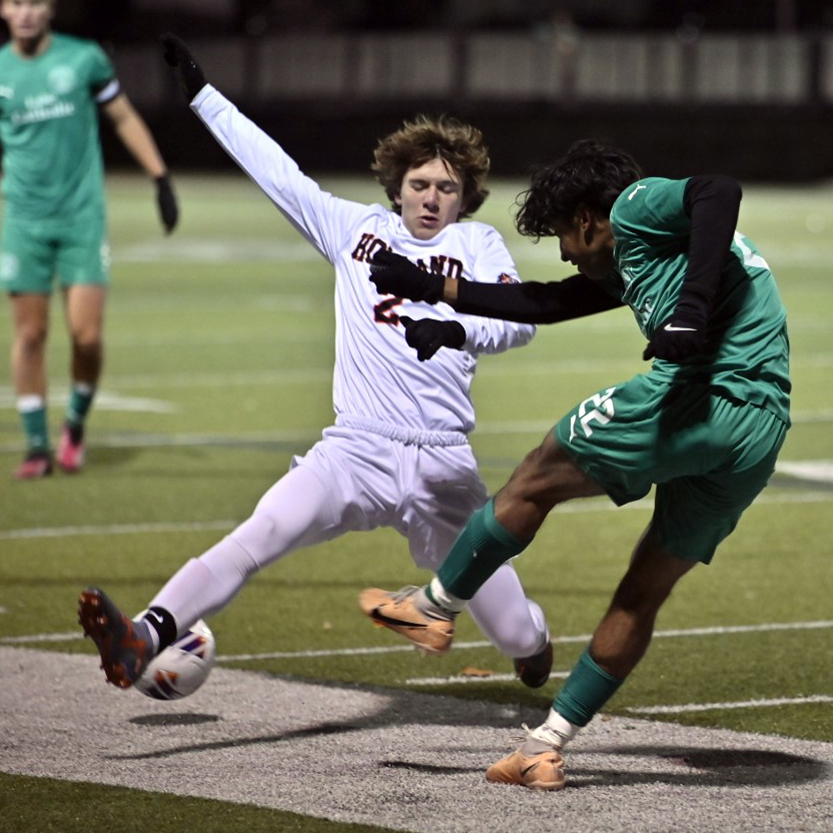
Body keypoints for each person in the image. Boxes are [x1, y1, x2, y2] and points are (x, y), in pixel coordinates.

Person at [77, 34, 554, 692]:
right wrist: (205, 98)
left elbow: (519, 320)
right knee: (264, 529)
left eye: (446, 187)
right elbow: (277, 172)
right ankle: (144, 636)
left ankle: (534, 640)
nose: (430, 197)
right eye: (419, 183)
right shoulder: (353, 228)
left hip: (442, 462)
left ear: (464, 195)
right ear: (396, 187)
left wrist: (452, 327)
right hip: (355, 447)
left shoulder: (477, 242)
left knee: (514, 634)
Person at [360, 139, 791, 791]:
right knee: (641, 591)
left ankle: (435, 605)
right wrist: (434, 290)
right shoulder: (647, 255)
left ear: (588, 218)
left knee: (535, 474)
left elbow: (718, 189)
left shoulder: (635, 208)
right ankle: (545, 745)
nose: (565, 250)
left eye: (563, 233)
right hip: (759, 430)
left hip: (702, 397)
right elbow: (551, 302)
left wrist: (692, 311)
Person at [0, 0, 179, 479]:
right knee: (30, 334)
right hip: (23, 221)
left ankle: (74, 425)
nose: (25, 12)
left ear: (51, 8)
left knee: (88, 337)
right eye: (16, 2)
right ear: (3, 9)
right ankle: (37, 447)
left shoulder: (84, 59)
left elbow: (123, 117)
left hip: (81, 218)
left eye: (35, 2)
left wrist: (160, 178)